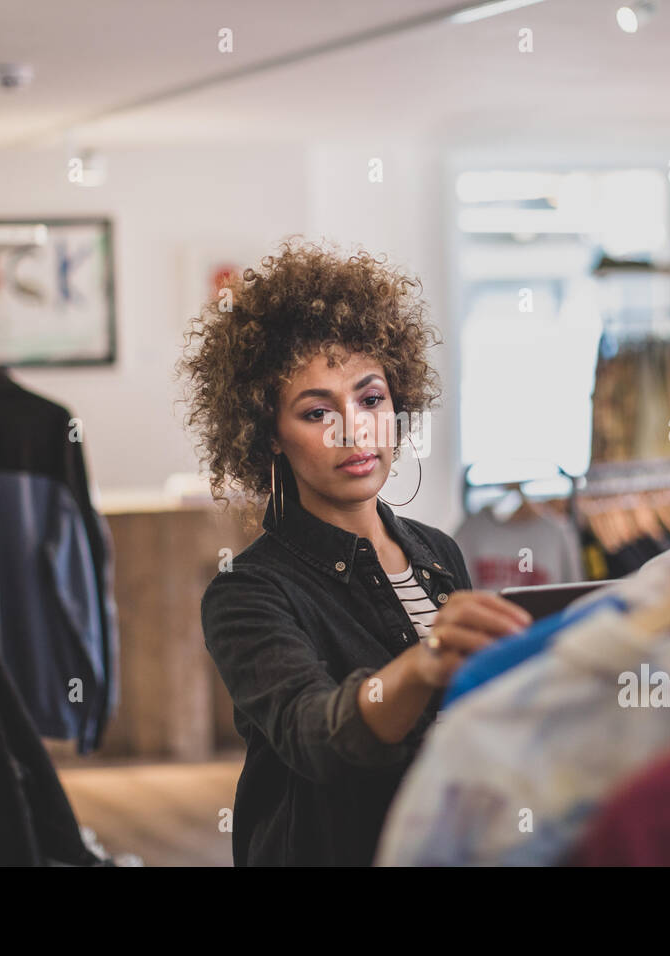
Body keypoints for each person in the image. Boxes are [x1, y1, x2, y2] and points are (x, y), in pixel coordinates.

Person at [177, 237, 533, 866]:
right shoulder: (248, 593)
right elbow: (316, 735)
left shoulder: (438, 552)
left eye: (371, 399)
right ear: (269, 438)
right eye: (317, 412)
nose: (355, 428)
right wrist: (423, 666)